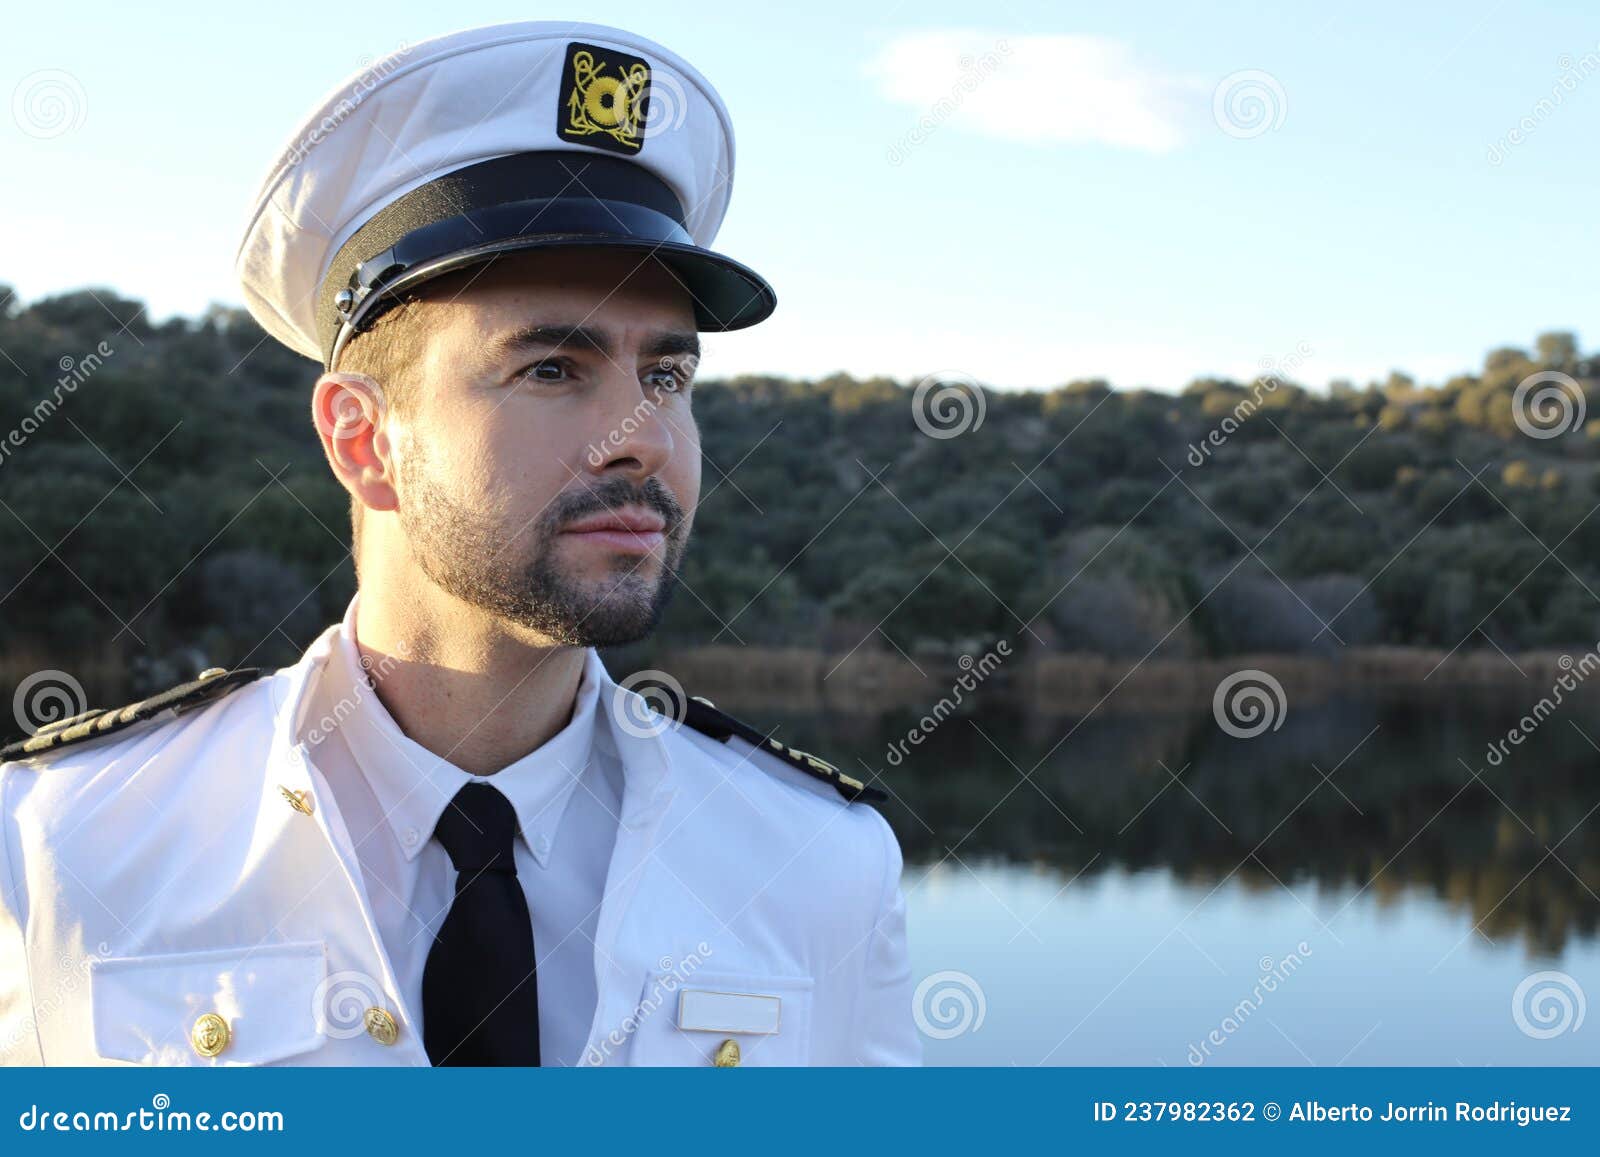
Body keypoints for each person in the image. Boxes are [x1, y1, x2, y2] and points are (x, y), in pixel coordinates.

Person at [0, 20, 919, 1068]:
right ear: (363, 437)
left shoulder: (819, 866)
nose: (646, 443)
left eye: (665, 376)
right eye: (551, 370)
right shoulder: (57, 847)